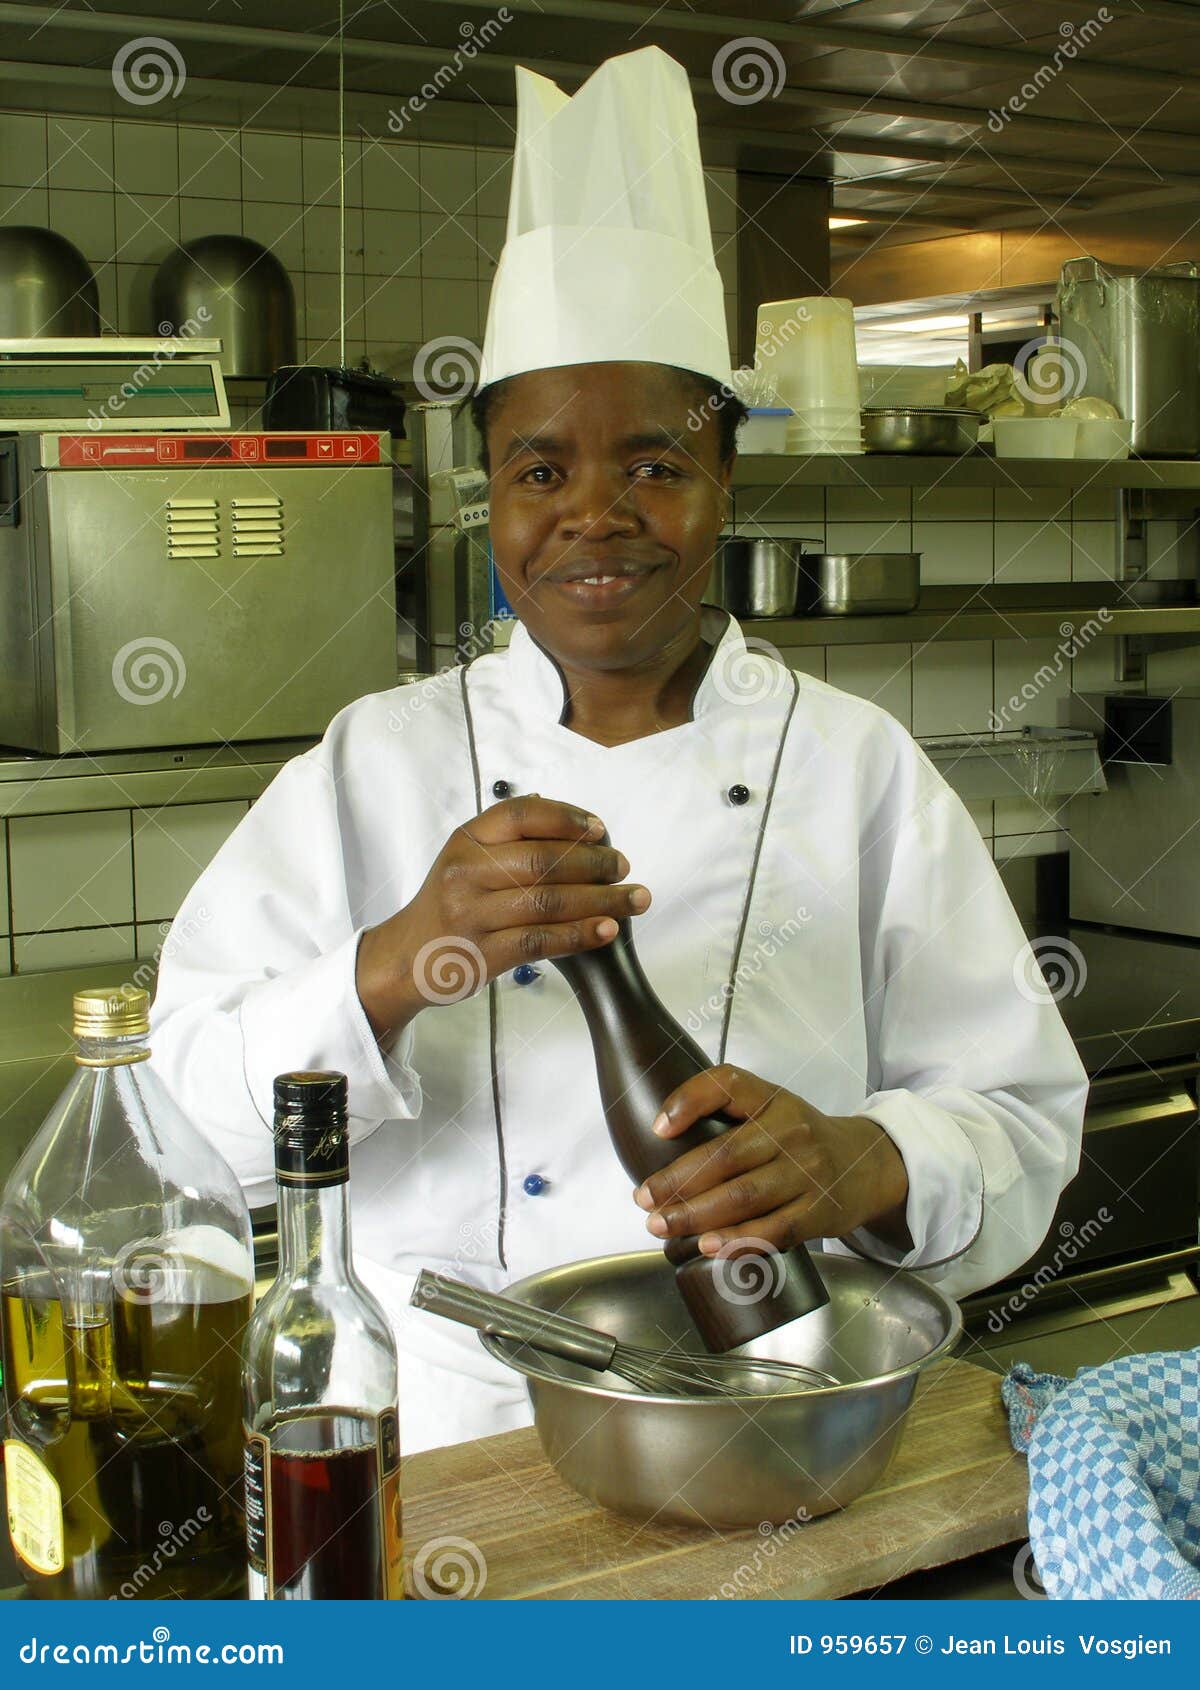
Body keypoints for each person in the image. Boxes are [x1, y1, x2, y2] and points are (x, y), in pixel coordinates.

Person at [150, 47, 1087, 1454]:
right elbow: (184, 1129)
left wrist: (866, 1158)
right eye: (541, 470)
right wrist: (397, 961)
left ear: (725, 485)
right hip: (453, 1441)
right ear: (490, 499)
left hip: (786, 1415)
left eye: (655, 463)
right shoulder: (370, 769)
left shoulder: (858, 767)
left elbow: (1021, 1120)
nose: (596, 514)